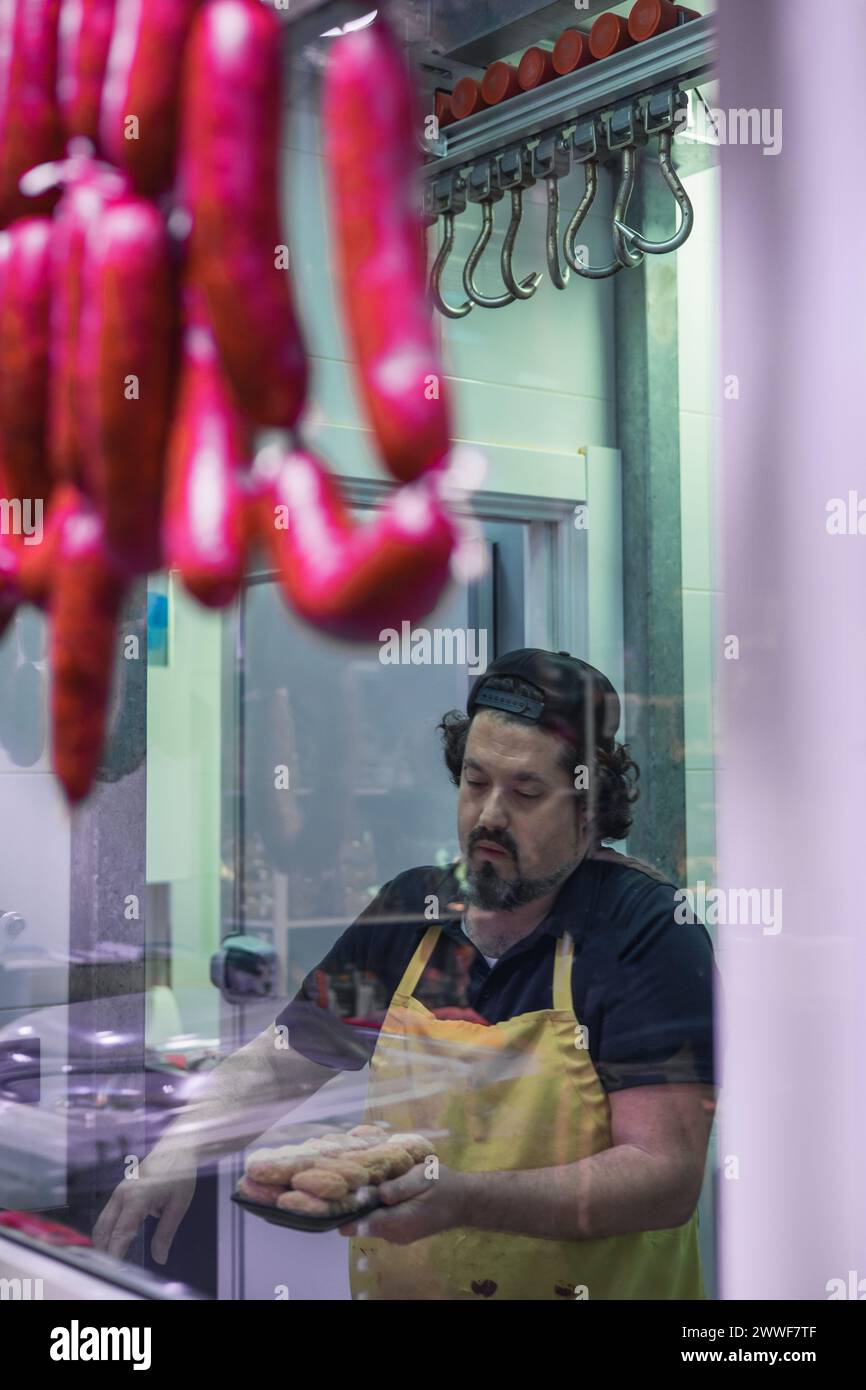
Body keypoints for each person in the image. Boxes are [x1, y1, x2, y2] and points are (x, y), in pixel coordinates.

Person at [94, 649, 717, 1301]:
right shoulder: (413, 912)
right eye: (475, 782)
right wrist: (180, 1145)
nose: (489, 816)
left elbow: (662, 1176)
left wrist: (461, 1200)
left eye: (526, 792)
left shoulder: (645, 931)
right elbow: (283, 1063)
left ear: (589, 807)